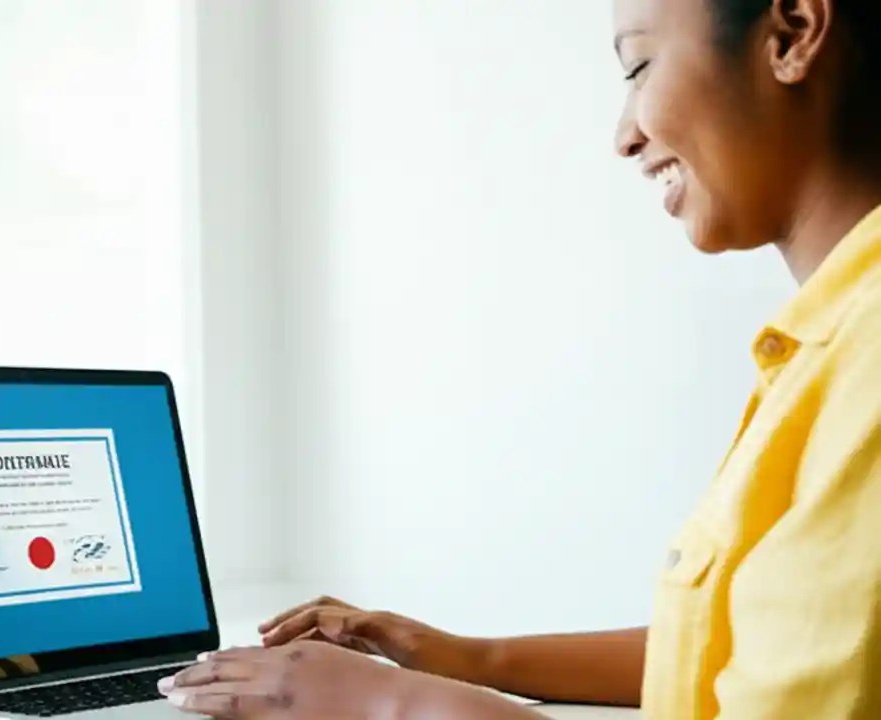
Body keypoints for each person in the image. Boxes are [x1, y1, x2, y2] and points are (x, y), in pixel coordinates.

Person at [157, 0, 881, 717]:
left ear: (792, 33)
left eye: (639, 66)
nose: (625, 135)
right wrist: (465, 658)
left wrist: (391, 703)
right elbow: (758, 651)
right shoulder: (833, 340)